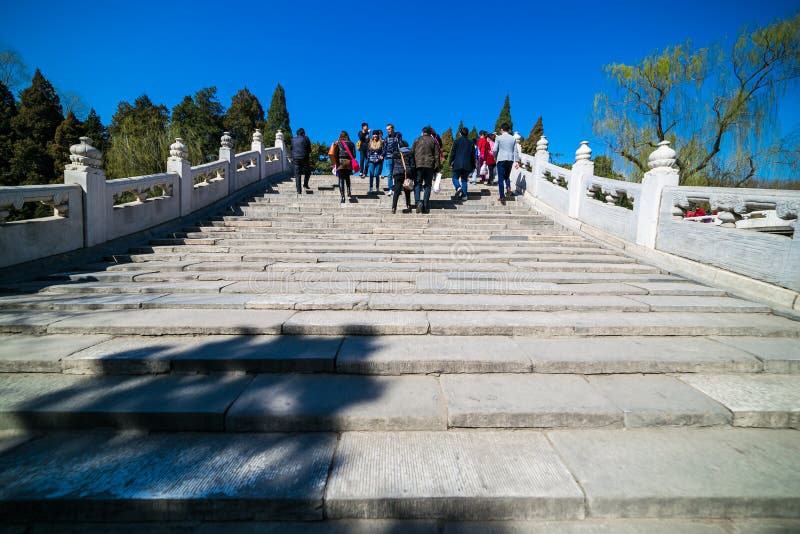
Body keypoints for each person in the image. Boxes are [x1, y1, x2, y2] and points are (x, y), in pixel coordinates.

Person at [411, 126, 440, 214]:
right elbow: (436, 155)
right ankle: (425, 205)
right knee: (427, 185)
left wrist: (412, 166)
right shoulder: (433, 141)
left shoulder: (417, 140)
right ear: (430, 133)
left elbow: (412, 153)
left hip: (418, 165)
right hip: (429, 166)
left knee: (417, 184)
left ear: (422, 132)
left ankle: (418, 202)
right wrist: (437, 167)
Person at [492, 123, 519, 204]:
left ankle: (502, 197)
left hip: (501, 159)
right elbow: (515, 151)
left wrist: (495, 157)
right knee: (507, 175)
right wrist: (516, 161)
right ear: (508, 130)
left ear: (502, 129)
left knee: (500, 178)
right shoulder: (513, 138)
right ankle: (508, 186)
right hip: (510, 159)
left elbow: (495, 150)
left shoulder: (498, 138)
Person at [449, 127, 476, 202]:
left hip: (457, 163)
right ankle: (464, 196)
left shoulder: (456, 141)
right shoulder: (471, 143)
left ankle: (458, 187)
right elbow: (472, 156)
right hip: (467, 165)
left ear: (460, 133)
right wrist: (473, 166)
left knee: (455, 178)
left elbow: (453, 153)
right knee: (464, 180)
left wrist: (450, 163)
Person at [330, 130, 357, 203]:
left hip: (340, 162)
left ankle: (342, 197)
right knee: (347, 177)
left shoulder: (338, 143)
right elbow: (354, 155)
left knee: (341, 179)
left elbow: (334, 153)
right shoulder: (351, 144)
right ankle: (348, 190)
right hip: (348, 163)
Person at [391, 134, 414, 214]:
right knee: (407, 191)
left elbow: (393, 163)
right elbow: (412, 165)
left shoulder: (396, 154)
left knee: (396, 191)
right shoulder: (410, 153)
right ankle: (408, 205)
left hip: (397, 173)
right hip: (407, 173)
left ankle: (394, 207)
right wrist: (413, 175)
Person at [291, 127, 312, 194]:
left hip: (295, 158)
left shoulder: (293, 139)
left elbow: (292, 148)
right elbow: (309, 149)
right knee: (308, 171)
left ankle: (298, 190)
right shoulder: (306, 138)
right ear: (303, 133)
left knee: (297, 174)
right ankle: (305, 184)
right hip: (304, 158)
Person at [382, 123, 400, 195]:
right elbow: (384, 148)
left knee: (396, 174)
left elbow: (400, 144)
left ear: (393, 129)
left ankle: (397, 188)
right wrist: (382, 155)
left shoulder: (398, 135)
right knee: (389, 174)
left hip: (396, 157)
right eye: (387, 129)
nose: (388, 131)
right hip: (388, 157)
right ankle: (391, 189)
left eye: (389, 129)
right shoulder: (386, 138)